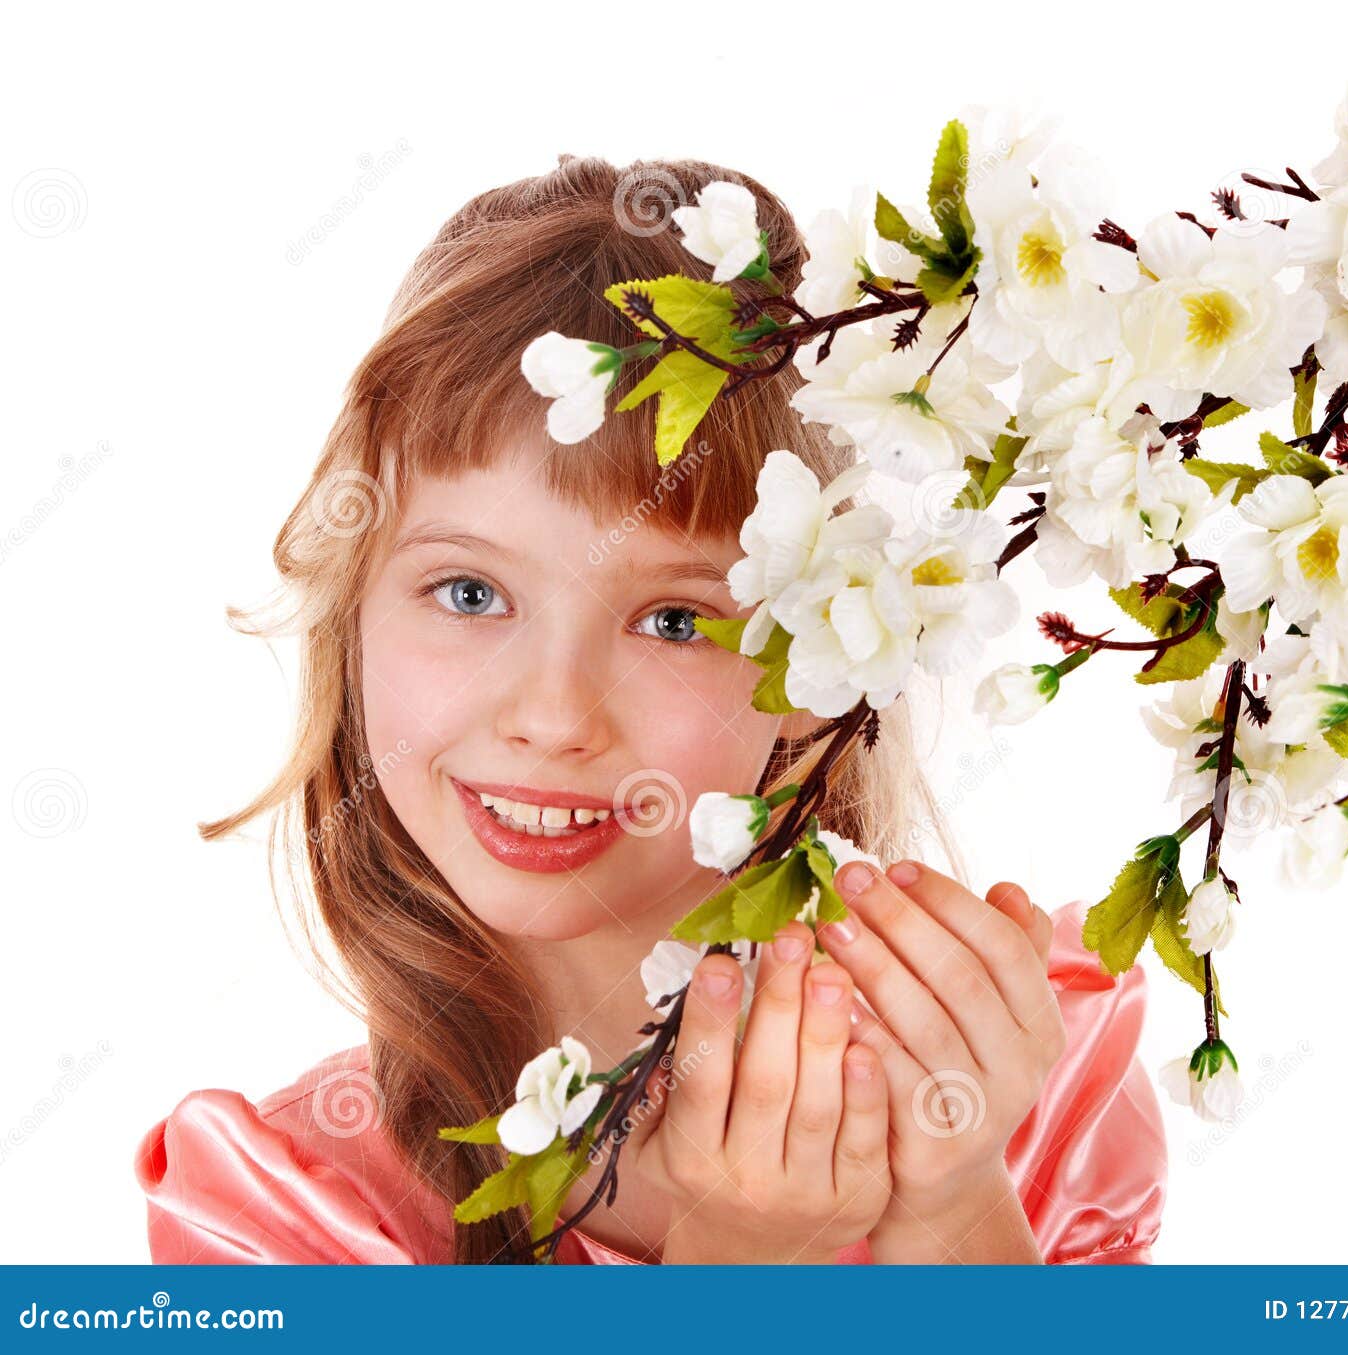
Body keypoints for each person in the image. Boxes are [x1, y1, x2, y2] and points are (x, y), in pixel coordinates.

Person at [132, 155, 1167, 1264]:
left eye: (674, 620)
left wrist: (954, 1206)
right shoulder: (290, 1213)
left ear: (823, 679)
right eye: (470, 593)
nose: (552, 713)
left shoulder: (1014, 1084)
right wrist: (743, 1260)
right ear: (353, 622)